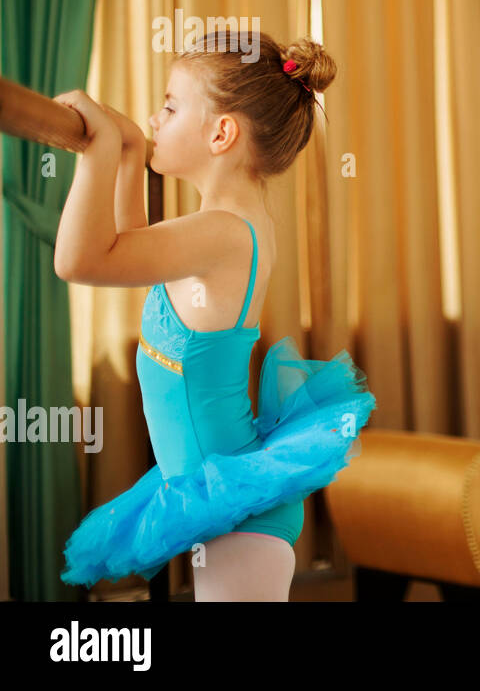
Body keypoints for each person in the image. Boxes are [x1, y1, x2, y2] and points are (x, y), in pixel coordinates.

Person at [52, 29, 376, 601]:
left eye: (170, 107)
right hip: (227, 499)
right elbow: (129, 249)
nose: (154, 119)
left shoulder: (223, 233)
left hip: (239, 517)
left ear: (221, 133)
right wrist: (128, 153)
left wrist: (97, 150)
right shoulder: (226, 227)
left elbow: (79, 260)